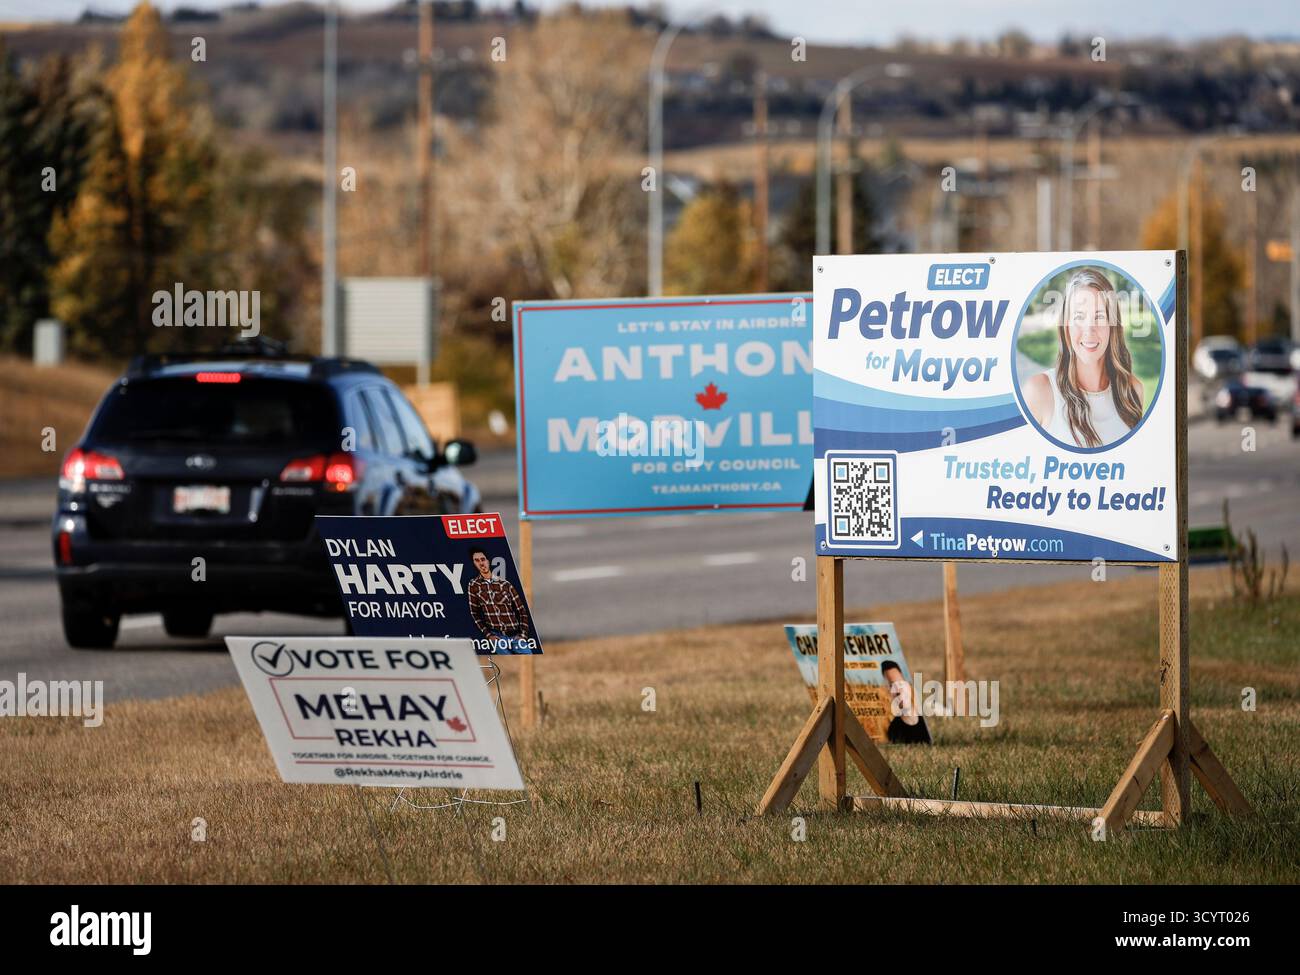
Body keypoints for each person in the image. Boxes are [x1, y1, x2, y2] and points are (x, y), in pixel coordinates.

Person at [1023, 267, 1146, 449]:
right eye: (1079, 317)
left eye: (1099, 316)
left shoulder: (1132, 391)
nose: (1089, 330)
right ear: (1066, 327)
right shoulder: (1040, 391)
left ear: (1113, 327)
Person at [466, 546, 534, 654]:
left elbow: (522, 611)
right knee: (506, 664)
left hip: (515, 635)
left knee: (528, 657)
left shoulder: (505, 584)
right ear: (474, 563)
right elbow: (475, 613)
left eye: (483, 559)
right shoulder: (473, 585)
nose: (481, 563)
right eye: (477, 560)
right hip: (497, 637)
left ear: (488, 561)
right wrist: (489, 635)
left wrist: (523, 635)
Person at [882, 660, 930, 745]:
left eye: (900, 683)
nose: (899, 690)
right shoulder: (894, 730)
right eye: (892, 685)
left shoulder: (926, 720)